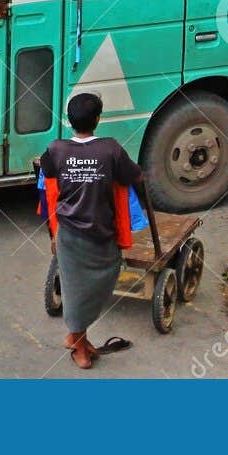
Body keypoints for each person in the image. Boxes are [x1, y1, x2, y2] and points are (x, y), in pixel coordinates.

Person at [39, 92, 146, 369]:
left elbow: (46, 174)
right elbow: (134, 176)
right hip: (85, 236)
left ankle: (77, 337)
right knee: (77, 293)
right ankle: (77, 343)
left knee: (93, 288)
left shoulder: (56, 149)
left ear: (70, 121)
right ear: (98, 119)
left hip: (79, 236)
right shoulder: (110, 149)